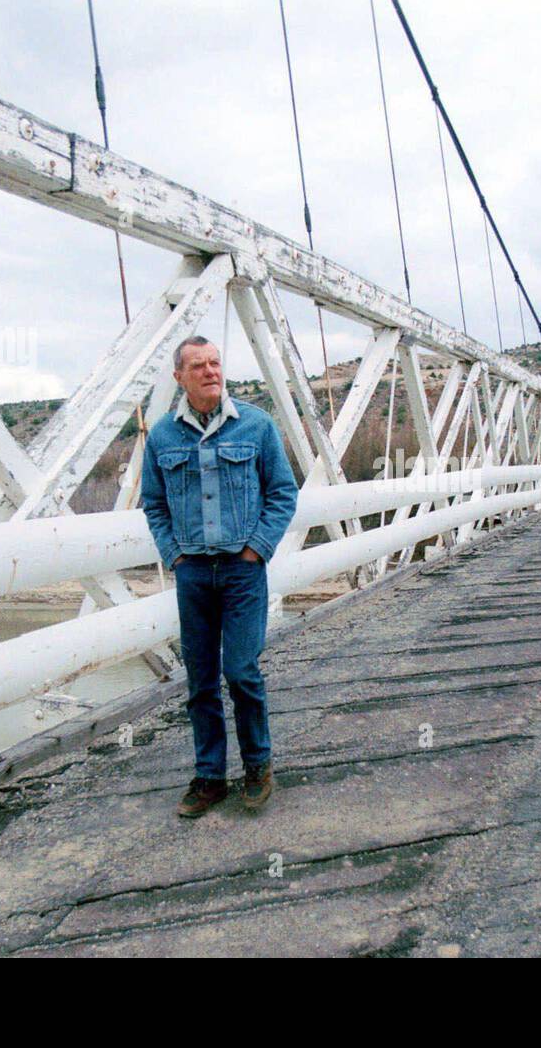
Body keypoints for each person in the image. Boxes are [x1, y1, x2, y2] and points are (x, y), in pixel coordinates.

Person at [140, 335, 298, 817]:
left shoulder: (256, 425)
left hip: (241, 572)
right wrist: (174, 556)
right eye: (198, 365)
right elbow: (154, 503)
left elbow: (283, 493)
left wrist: (256, 550)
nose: (210, 371)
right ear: (179, 377)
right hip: (193, 574)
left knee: (241, 671)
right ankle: (209, 777)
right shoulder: (162, 436)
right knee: (201, 681)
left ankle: (258, 765)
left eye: (215, 363)